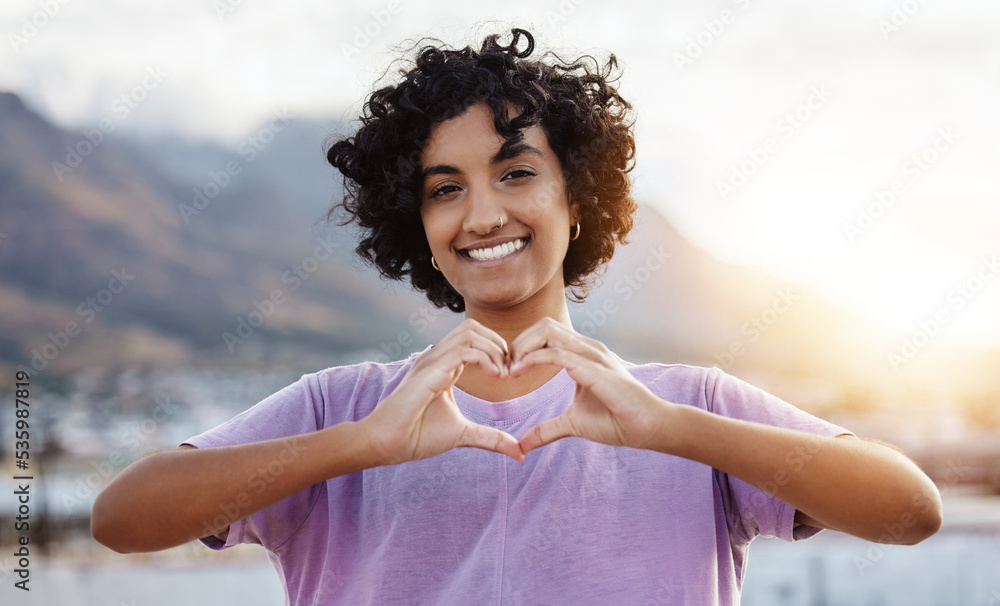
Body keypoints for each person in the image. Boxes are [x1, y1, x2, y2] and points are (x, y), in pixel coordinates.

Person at [91, 28, 942, 605]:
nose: (484, 213)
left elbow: (909, 510)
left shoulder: (685, 406)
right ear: (417, 228)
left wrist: (674, 429)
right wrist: (364, 445)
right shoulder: (340, 408)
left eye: (516, 173)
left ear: (579, 202)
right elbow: (122, 519)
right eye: (445, 189)